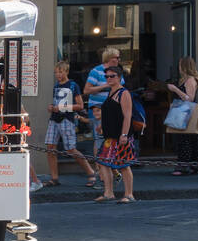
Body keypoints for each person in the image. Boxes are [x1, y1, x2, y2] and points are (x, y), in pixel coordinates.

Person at [45, 60, 97, 187]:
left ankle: (91, 172)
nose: (58, 75)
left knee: (71, 149)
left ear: (66, 72)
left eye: (60, 72)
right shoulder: (56, 86)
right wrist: (52, 107)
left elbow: (79, 105)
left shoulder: (73, 85)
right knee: (50, 147)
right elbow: (57, 102)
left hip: (67, 119)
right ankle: (54, 177)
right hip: (54, 118)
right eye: (56, 72)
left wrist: (62, 108)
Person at [93, 65, 136, 203]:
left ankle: (129, 194)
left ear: (119, 77)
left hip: (121, 135)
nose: (109, 79)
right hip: (109, 136)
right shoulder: (110, 92)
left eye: (112, 76)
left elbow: (127, 116)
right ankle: (108, 193)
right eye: (107, 76)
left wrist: (124, 135)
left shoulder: (124, 93)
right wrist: (101, 126)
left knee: (123, 165)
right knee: (103, 163)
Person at [167, 56, 198, 176]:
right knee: (189, 139)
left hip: (186, 113)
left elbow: (189, 98)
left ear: (184, 66)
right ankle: (196, 163)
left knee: (185, 139)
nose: (178, 68)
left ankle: (184, 166)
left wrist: (175, 90)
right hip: (186, 112)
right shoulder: (186, 80)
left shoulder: (190, 80)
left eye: (180, 65)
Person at [83, 47, 123, 156]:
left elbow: (121, 89)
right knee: (99, 138)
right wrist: (105, 86)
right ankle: (99, 167)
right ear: (110, 58)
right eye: (117, 57)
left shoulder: (118, 72)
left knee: (113, 137)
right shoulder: (96, 71)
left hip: (114, 108)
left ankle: (110, 165)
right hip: (98, 110)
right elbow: (86, 90)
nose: (119, 60)